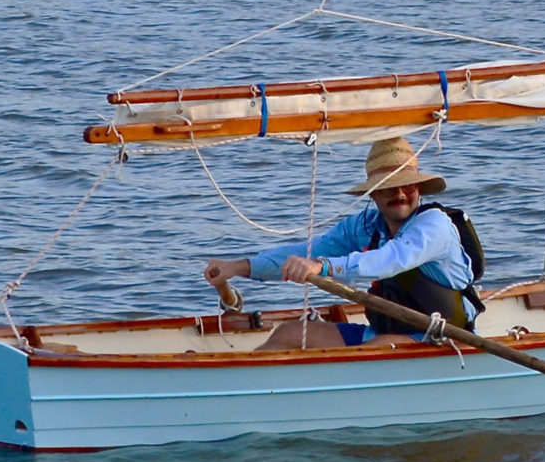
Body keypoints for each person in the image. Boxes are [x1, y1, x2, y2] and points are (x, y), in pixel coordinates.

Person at [204, 137, 479, 347]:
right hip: (383, 332)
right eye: (388, 187)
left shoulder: (434, 225)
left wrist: (323, 267)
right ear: (373, 193)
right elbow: (307, 253)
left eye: (407, 185)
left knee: (375, 350)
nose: (400, 194)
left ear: (418, 188)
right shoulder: (362, 226)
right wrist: (239, 267)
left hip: (443, 339)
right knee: (288, 334)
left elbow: (389, 260)